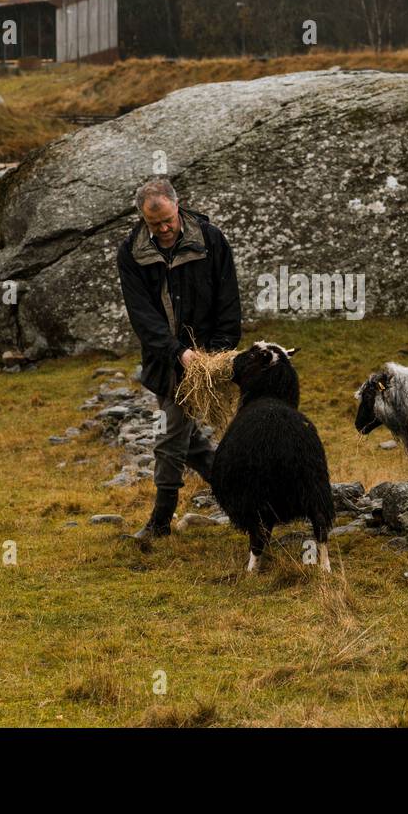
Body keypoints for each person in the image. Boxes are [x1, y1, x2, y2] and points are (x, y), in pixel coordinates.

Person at [116, 178, 241, 541]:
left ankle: (159, 523)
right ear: (143, 219)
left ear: (177, 205)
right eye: (155, 224)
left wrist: (215, 353)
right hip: (167, 361)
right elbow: (143, 317)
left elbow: (228, 300)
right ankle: (241, 494)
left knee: (172, 436)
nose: (164, 228)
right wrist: (179, 353)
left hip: (207, 359)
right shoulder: (132, 253)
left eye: (168, 220)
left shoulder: (211, 240)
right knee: (192, 442)